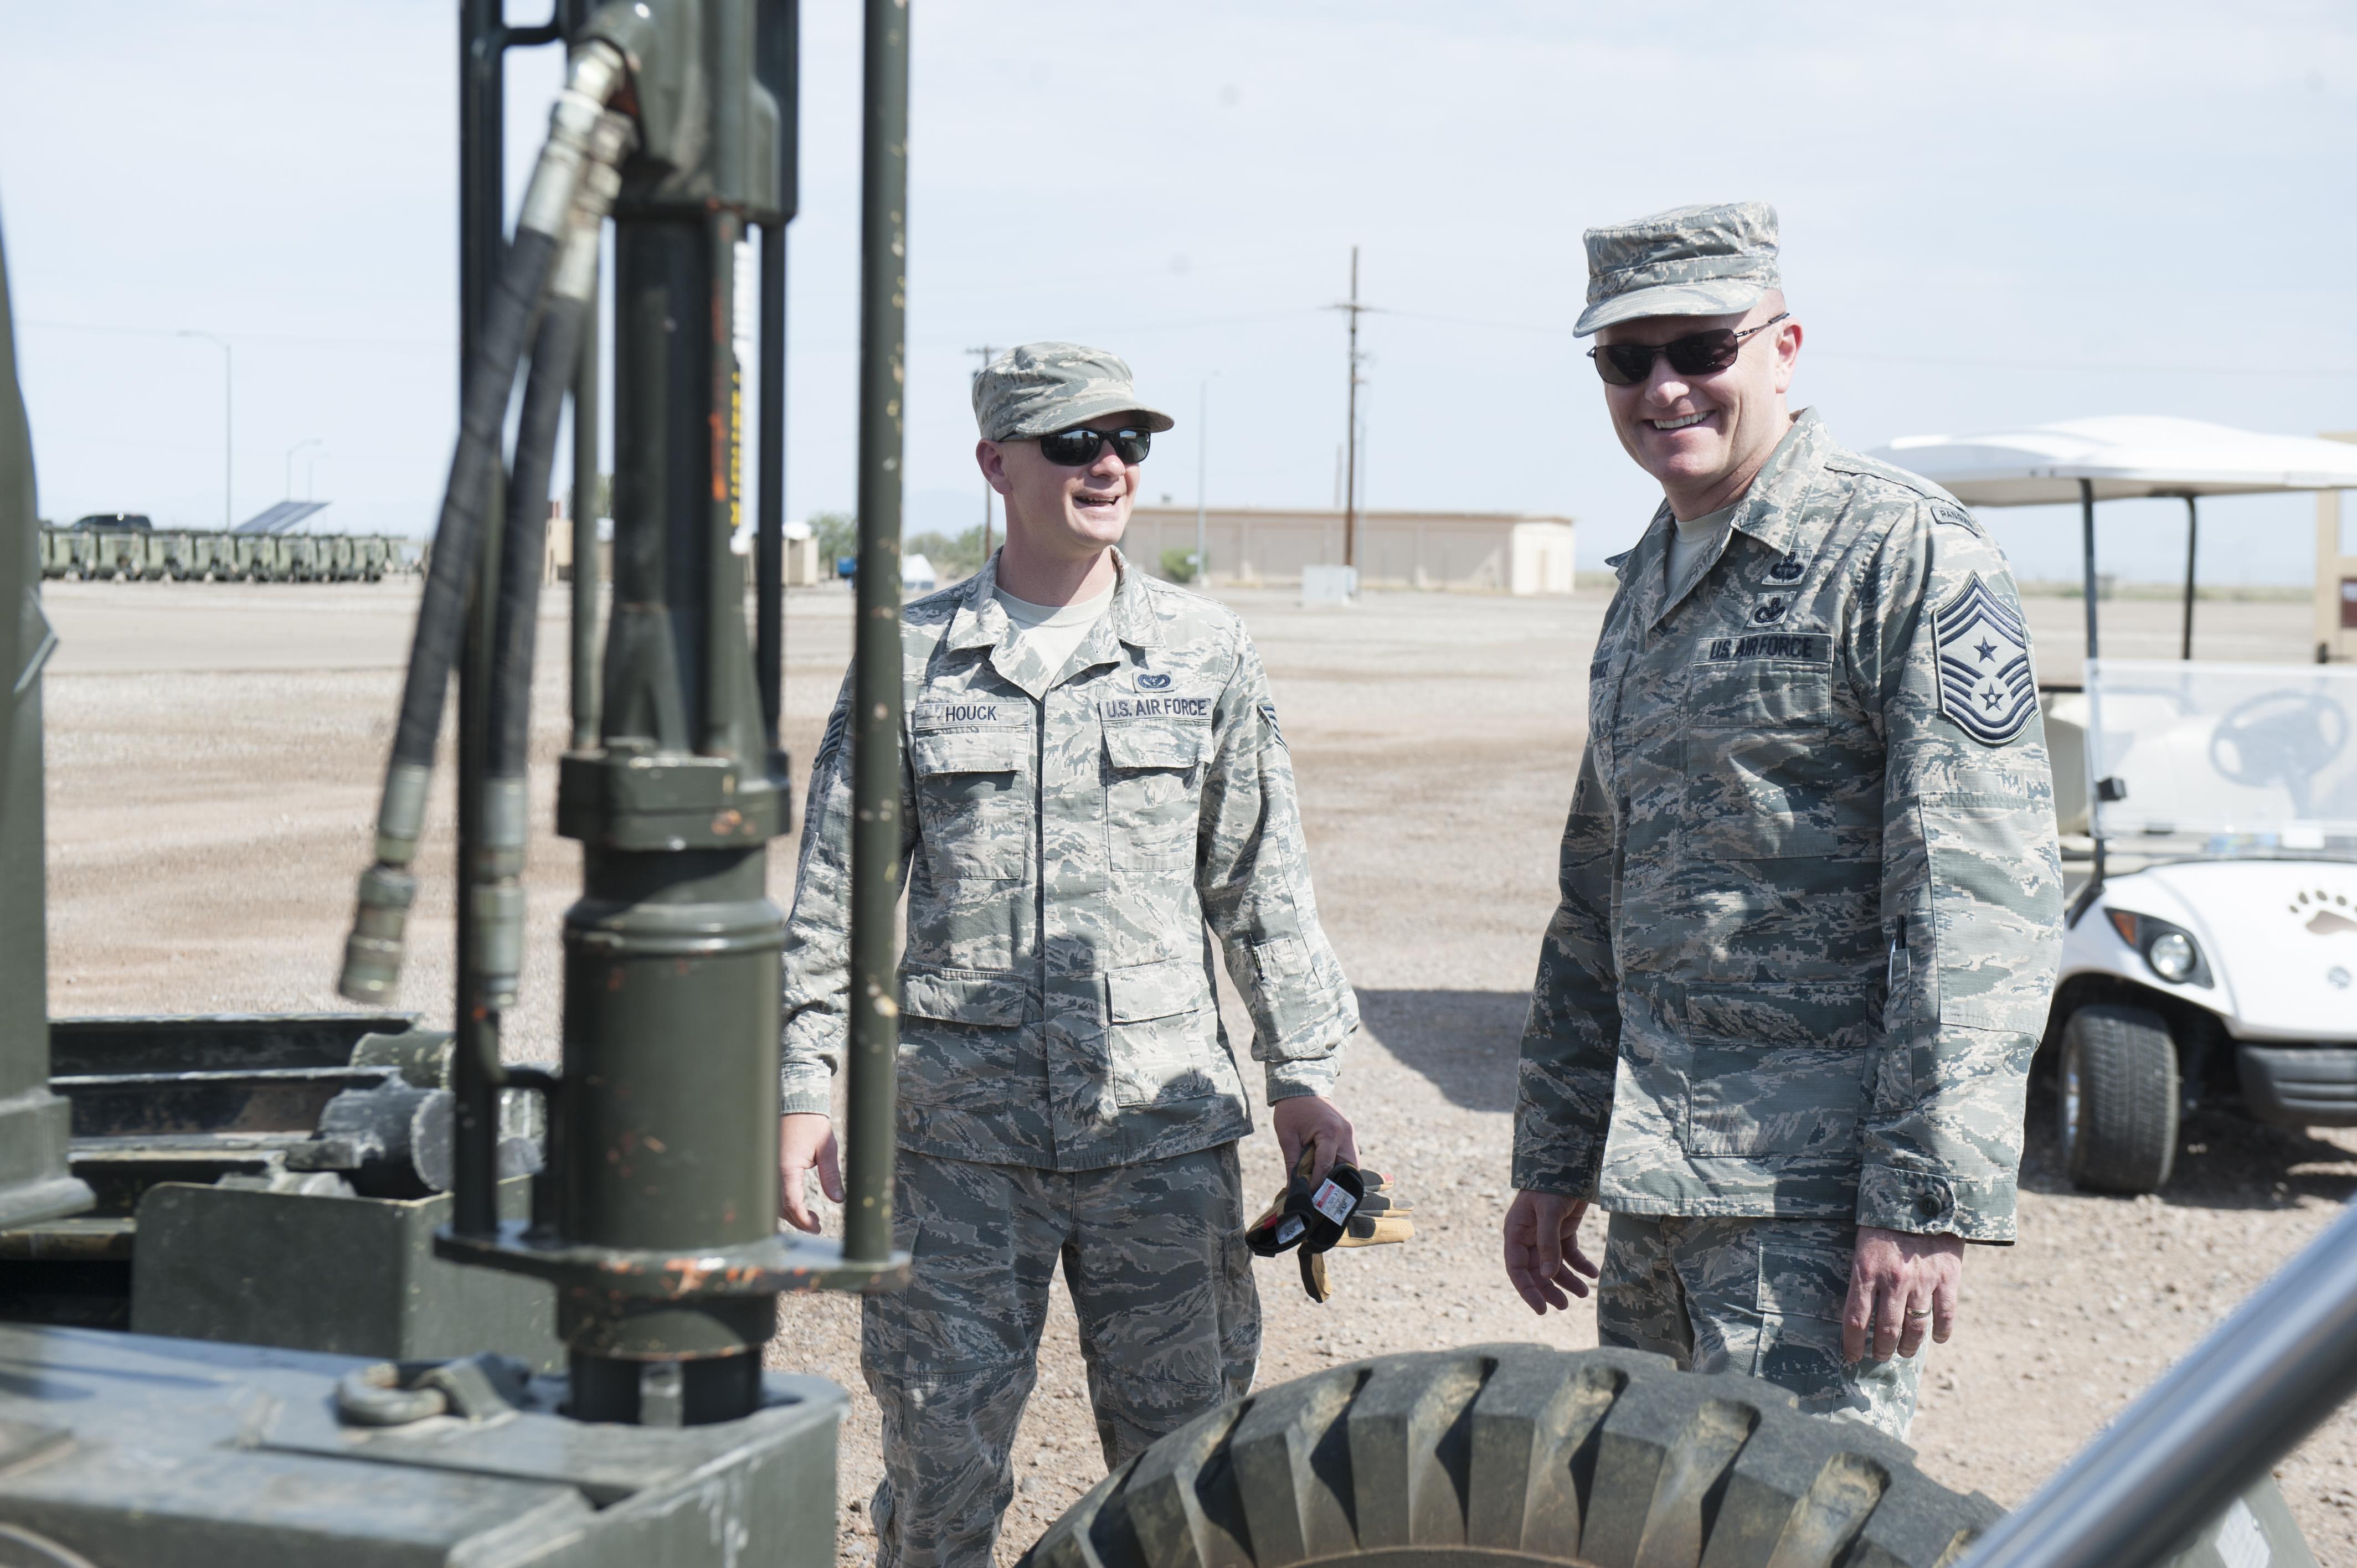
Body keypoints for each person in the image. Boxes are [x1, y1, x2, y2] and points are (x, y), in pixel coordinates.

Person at [779, 342, 1361, 1568]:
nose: (1109, 467)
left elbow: (1258, 878)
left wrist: (1304, 1076)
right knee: (938, 1476)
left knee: (1186, 1484)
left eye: (1127, 443)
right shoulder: (907, 655)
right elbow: (837, 890)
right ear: (997, 464)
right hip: (955, 1151)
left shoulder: (1203, 647)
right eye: (1074, 443)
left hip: (1158, 1140)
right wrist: (801, 1085)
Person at [1501, 202, 2062, 1438]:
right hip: (1656, 1190)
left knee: (1800, 1523)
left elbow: (1981, 899)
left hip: (1812, 1205)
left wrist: (1923, 1194)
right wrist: (1557, 1150)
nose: (1663, 388)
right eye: (1625, 359)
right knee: (1648, 1514)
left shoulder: (1900, 552)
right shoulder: (1650, 577)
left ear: (1783, 350)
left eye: (1701, 349)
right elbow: (1601, 892)